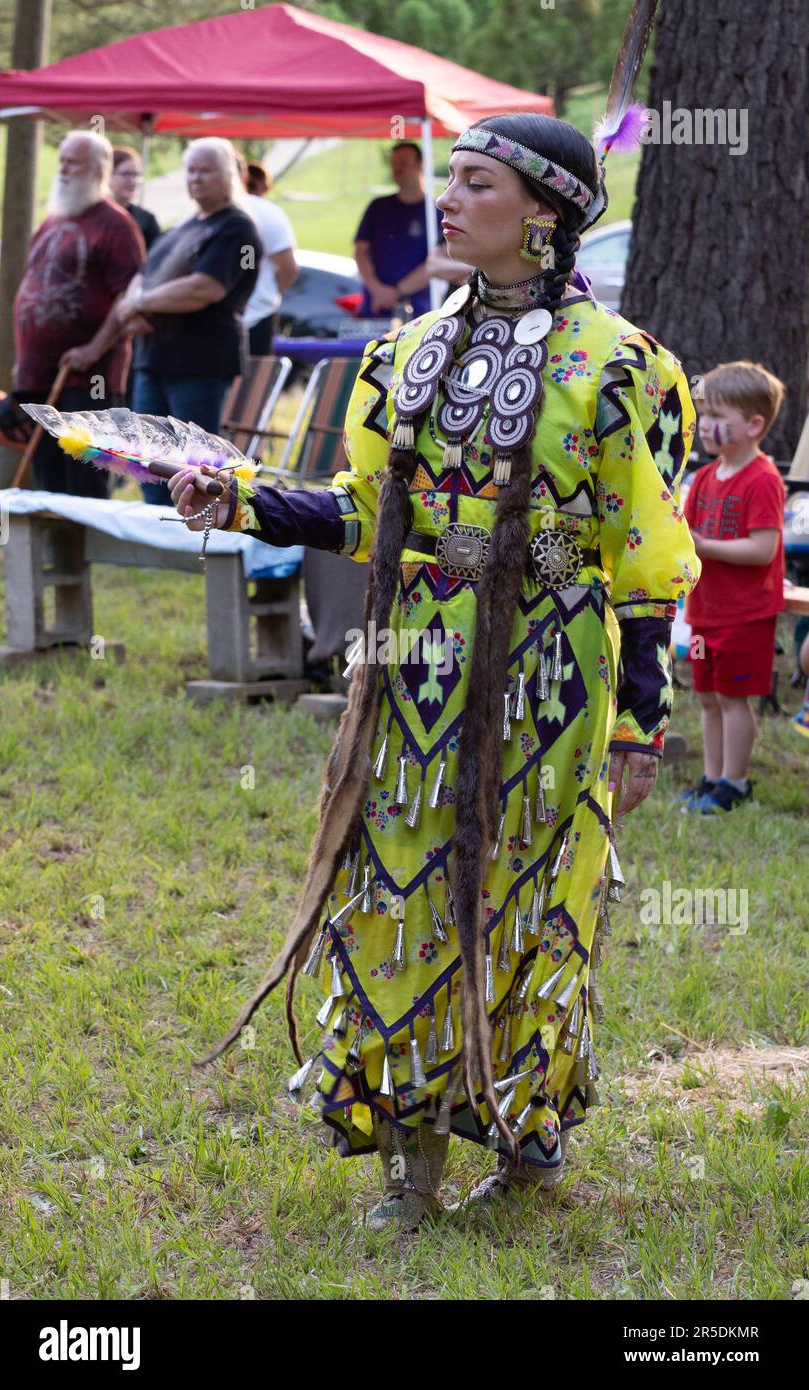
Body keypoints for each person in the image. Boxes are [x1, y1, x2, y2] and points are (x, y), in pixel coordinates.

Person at [168, 112, 700, 1231]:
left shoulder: (624, 369)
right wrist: (247, 495)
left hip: (552, 663)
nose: (446, 202)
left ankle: (526, 1125)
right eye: (446, 180)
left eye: (474, 183)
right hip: (420, 667)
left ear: (544, 212)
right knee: (398, 888)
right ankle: (408, 1163)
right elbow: (373, 514)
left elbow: (644, 559)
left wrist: (641, 723)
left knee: (531, 889)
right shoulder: (402, 354)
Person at [113, 137, 262, 504]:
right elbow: (142, 276)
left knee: (190, 457)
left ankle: (191, 533)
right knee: (148, 453)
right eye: (191, 169)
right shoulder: (179, 229)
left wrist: (140, 304)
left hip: (200, 361)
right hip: (154, 358)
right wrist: (131, 308)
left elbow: (205, 288)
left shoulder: (237, 229)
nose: (196, 178)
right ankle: (157, 531)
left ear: (230, 174)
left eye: (206, 169)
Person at [11, 130, 145, 497]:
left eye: (74, 162)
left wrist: (94, 349)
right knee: (47, 478)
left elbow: (128, 298)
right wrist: (23, 362)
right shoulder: (52, 220)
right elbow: (31, 287)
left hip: (87, 377)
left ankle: (80, 553)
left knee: (82, 477)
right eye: (62, 161)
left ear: (98, 170)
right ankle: (54, 555)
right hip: (40, 375)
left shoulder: (116, 225)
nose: (64, 169)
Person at [680, 362, 787, 812]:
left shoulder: (762, 479)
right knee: (706, 695)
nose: (705, 424)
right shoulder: (703, 477)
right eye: (703, 414)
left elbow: (763, 550)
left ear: (754, 425)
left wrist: (706, 546)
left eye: (718, 416)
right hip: (705, 613)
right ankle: (711, 776)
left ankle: (735, 783)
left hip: (745, 616)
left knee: (733, 697)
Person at [354, 142, 443, 318]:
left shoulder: (437, 211)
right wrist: (377, 289)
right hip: (375, 307)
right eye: (393, 164)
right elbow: (360, 253)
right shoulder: (377, 207)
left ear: (420, 165)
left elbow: (438, 259)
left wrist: (395, 292)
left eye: (403, 163)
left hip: (419, 310)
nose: (397, 169)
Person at [239, 160, 298, 357]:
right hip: (258, 314)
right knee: (254, 384)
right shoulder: (269, 212)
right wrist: (273, 290)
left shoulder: (217, 209)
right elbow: (288, 268)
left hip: (224, 316)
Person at [110, 147, 162, 252]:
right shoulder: (91, 215)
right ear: (108, 175)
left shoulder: (146, 220)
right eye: (126, 174)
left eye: (136, 175)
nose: (133, 181)